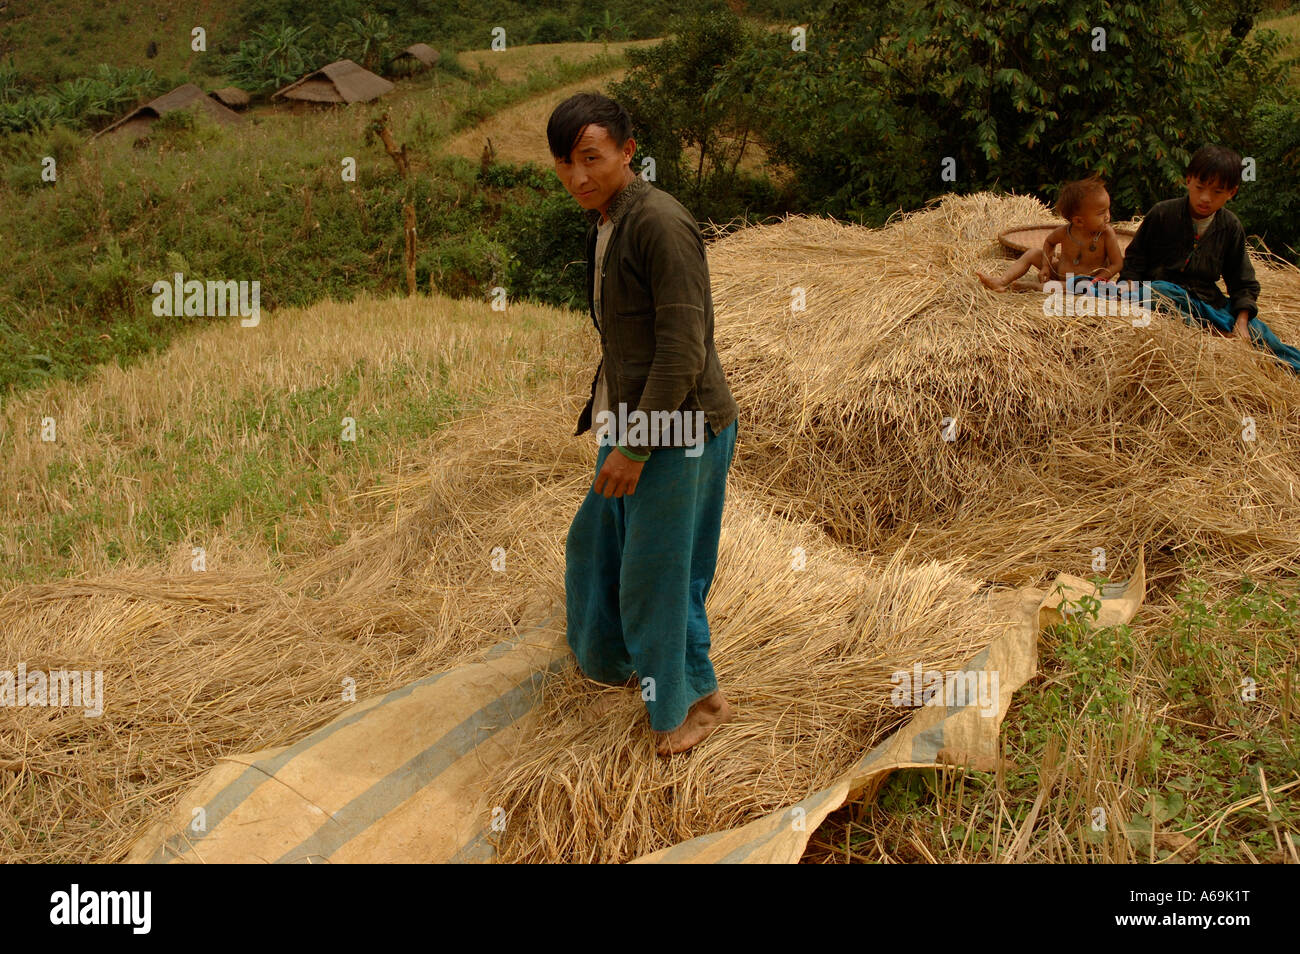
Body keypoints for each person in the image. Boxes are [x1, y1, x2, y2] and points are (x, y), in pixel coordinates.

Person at [547, 92, 742, 756]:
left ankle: (691, 705)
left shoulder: (659, 223)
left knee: (659, 574)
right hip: (633, 420)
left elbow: (682, 353)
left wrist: (635, 444)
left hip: (679, 430)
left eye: (592, 159)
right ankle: (616, 663)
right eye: (566, 164)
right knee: (594, 546)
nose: (578, 177)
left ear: (629, 153)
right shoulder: (607, 221)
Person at [1116, 144, 1300, 375]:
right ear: (1188, 180)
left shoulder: (1230, 226)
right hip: (1163, 292)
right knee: (1155, 294)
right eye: (1200, 187)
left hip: (1205, 301)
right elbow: (1134, 260)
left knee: (1263, 336)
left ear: (1232, 192)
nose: (1205, 198)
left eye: (1217, 192)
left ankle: (1285, 364)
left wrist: (1241, 322)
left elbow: (1242, 282)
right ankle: (1208, 334)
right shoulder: (1163, 213)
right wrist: (1129, 289)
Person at [978, 175, 1124, 292]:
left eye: (1108, 209)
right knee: (1033, 253)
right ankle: (1001, 281)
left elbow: (1117, 263)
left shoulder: (1106, 234)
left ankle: (1035, 287)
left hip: (1086, 281)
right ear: (1079, 221)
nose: (1107, 216)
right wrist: (1046, 266)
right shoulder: (1065, 232)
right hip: (1059, 272)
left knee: (1078, 286)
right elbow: (1049, 242)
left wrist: (1099, 279)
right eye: (1101, 213)